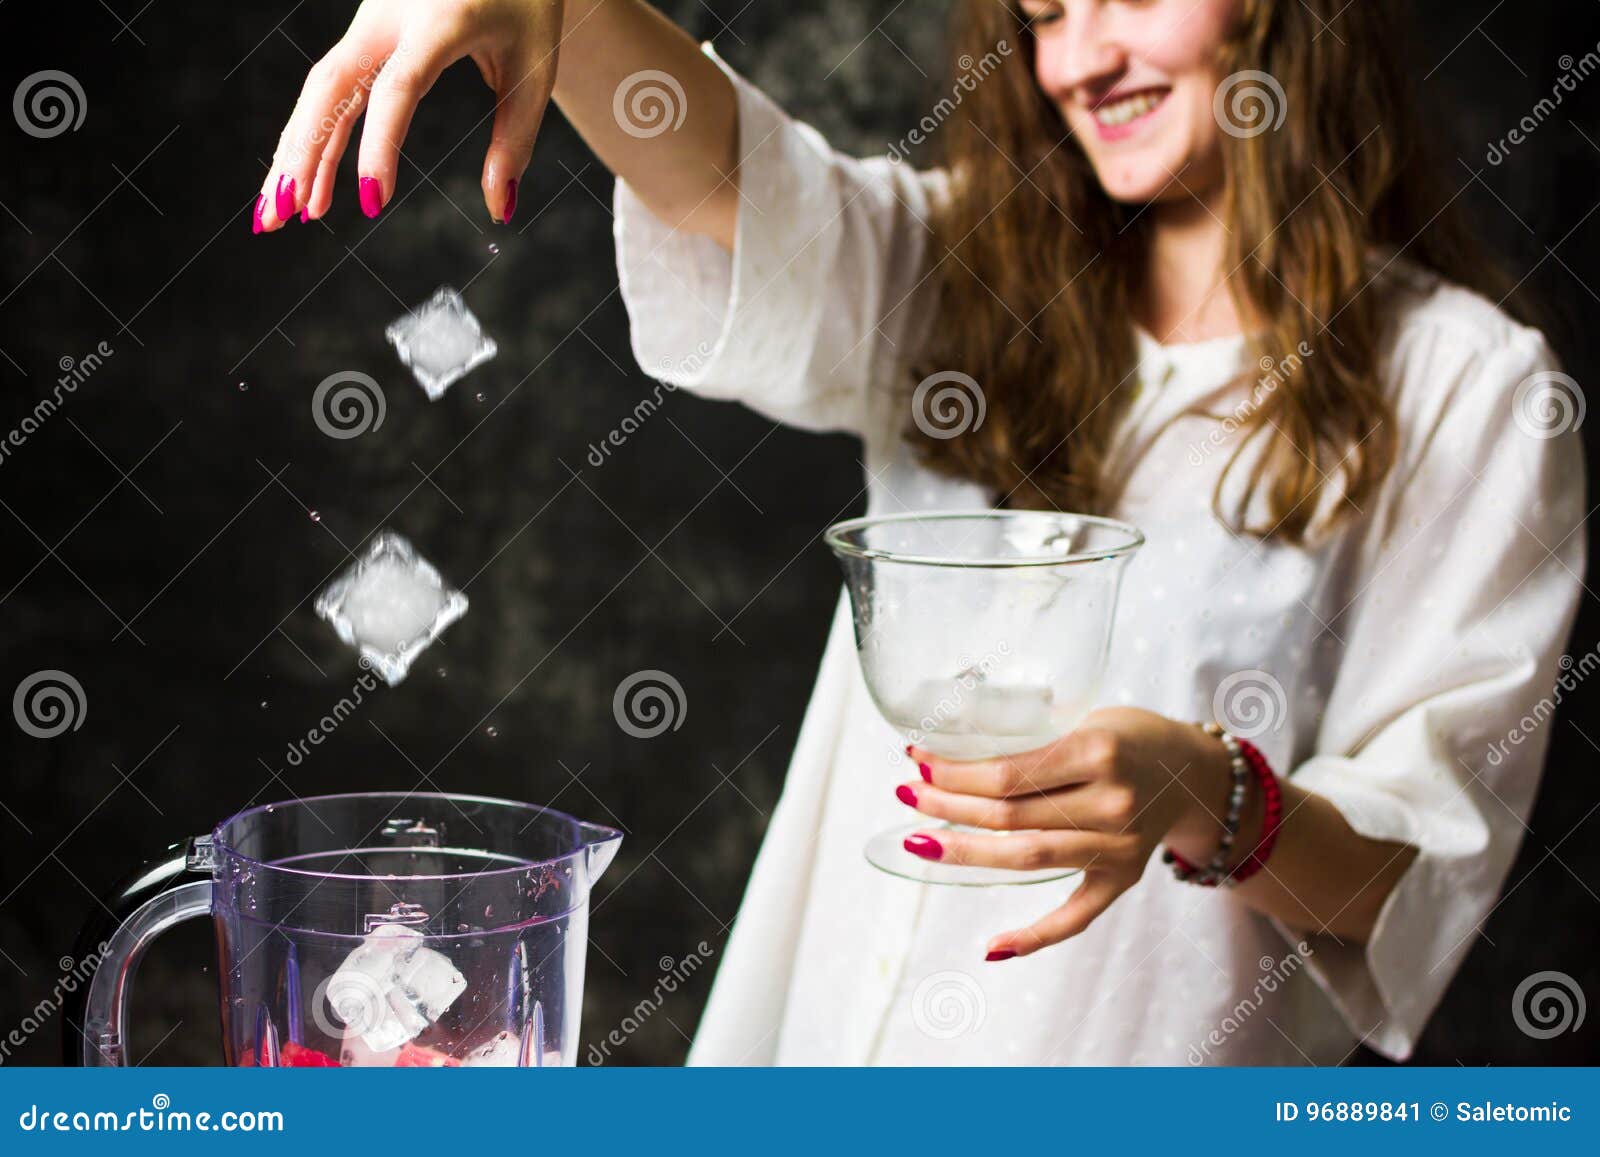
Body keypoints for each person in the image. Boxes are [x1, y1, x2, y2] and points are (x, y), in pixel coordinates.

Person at [254, 0, 1587, 1065]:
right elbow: (737, 180)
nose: (1081, 60)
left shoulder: (1470, 391)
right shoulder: (964, 270)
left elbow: (1411, 887)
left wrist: (1208, 794)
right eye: (1045, 14)